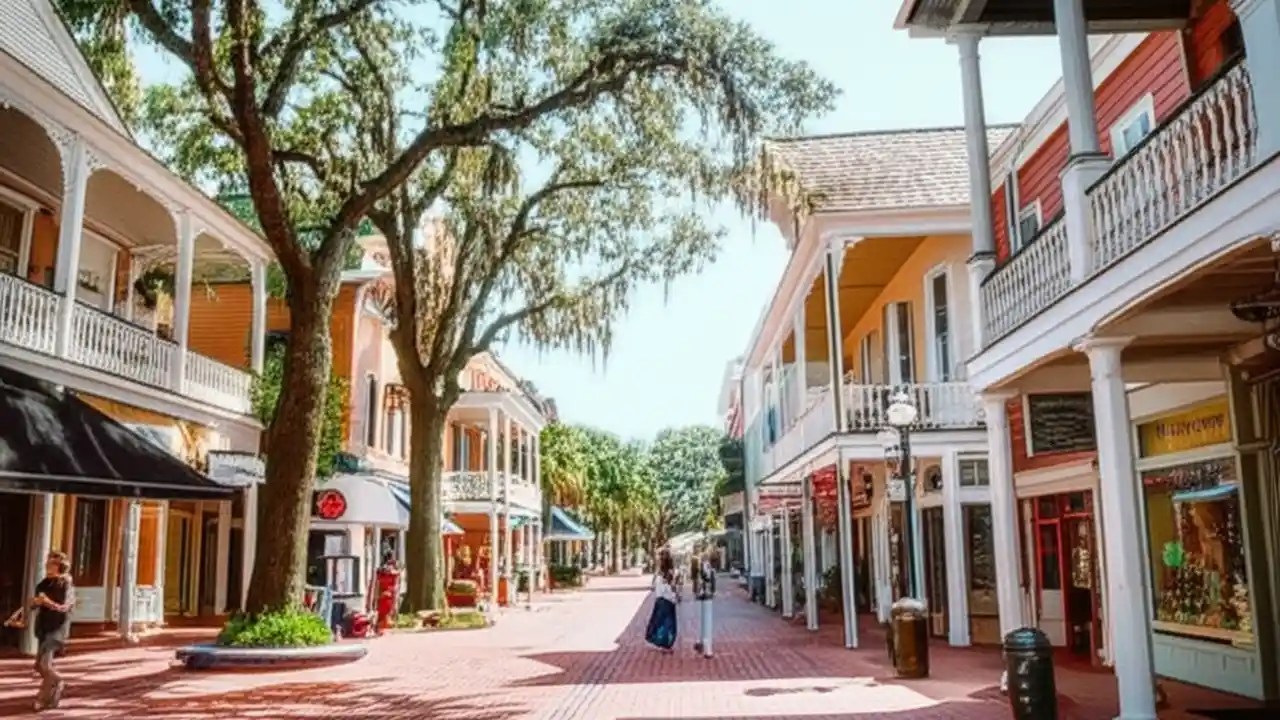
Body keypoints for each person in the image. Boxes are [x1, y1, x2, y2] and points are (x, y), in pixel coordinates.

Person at [32, 551, 74, 711]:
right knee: (39, 666)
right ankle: (55, 689)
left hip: (57, 628)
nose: (48, 566)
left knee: (45, 664)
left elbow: (65, 607)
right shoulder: (42, 584)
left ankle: (43, 698)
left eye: (52, 564)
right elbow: (35, 605)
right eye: (48, 563)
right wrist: (35, 603)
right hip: (43, 627)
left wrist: (48, 602)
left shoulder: (66, 585)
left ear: (61, 567)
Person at [645, 552, 679, 652]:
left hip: (660, 599)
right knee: (668, 623)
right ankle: (666, 643)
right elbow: (673, 587)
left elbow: (654, 586)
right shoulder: (671, 573)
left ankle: (660, 641)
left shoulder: (659, 573)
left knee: (659, 622)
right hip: (669, 600)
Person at [692, 551, 716, 659]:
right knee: (705, 620)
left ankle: (707, 647)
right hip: (707, 594)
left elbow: (704, 578)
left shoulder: (704, 568)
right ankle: (704, 644)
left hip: (704, 594)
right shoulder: (709, 568)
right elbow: (710, 580)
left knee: (705, 620)